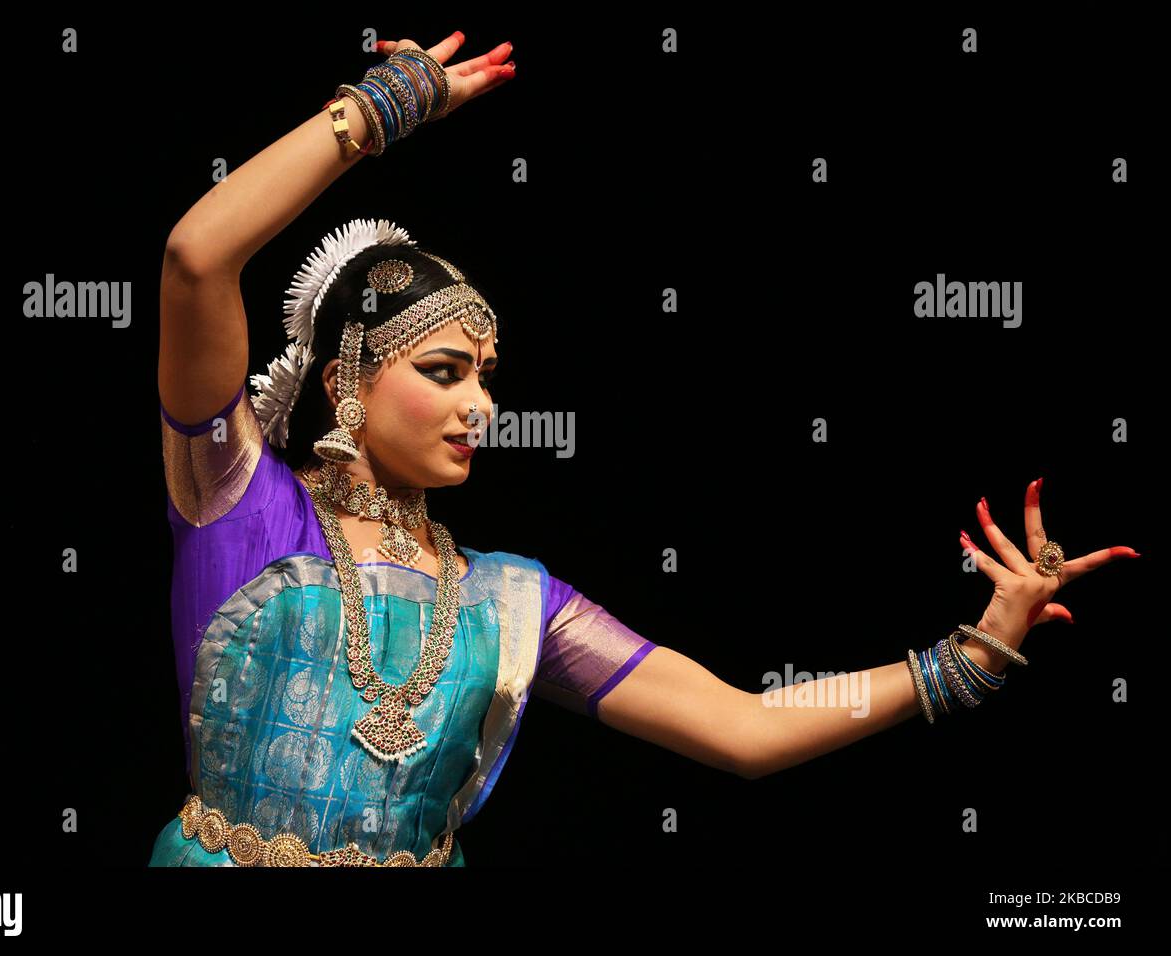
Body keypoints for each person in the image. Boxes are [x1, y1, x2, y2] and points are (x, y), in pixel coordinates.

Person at [149, 33, 1141, 867]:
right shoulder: (240, 501)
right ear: (346, 383)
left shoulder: (508, 598)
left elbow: (745, 723)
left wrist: (964, 655)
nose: (480, 406)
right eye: (447, 371)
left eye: (488, 379)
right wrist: (376, 112)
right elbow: (199, 257)